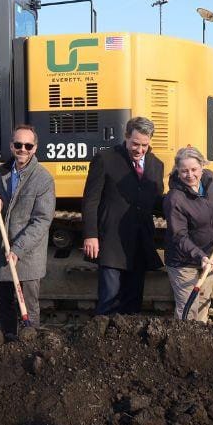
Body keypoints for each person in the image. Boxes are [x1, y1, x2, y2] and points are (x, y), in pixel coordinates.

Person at [82, 117, 165, 315]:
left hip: (139, 242)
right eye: (135, 144)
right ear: (126, 137)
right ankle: (103, 341)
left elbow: (156, 201)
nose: (140, 150)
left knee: (133, 301)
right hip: (111, 243)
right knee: (109, 300)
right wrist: (90, 235)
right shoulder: (105, 159)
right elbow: (90, 200)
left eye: (144, 145)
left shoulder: (156, 165)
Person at [0, 125, 56, 340]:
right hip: (1, 252)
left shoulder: (43, 179)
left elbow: (42, 220)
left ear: (34, 148)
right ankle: (8, 347)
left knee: (29, 310)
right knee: (4, 305)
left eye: (28, 145)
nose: (22, 149)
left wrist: (18, 249)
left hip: (27, 257)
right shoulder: (1, 172)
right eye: (18, 144)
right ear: (11, 145)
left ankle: (29, 349)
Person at [163, 147, 213, 322]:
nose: (190, 175)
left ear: (202, 166)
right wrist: (200, 256)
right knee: (188, 307)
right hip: (183, 260)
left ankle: (198, 344)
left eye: (194, 169)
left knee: (203, 302)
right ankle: (182, 343)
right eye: (184, 171)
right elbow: (179, 236)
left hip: (208, 255)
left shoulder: (210, 178)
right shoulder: (175, 199)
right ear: (177, 171)